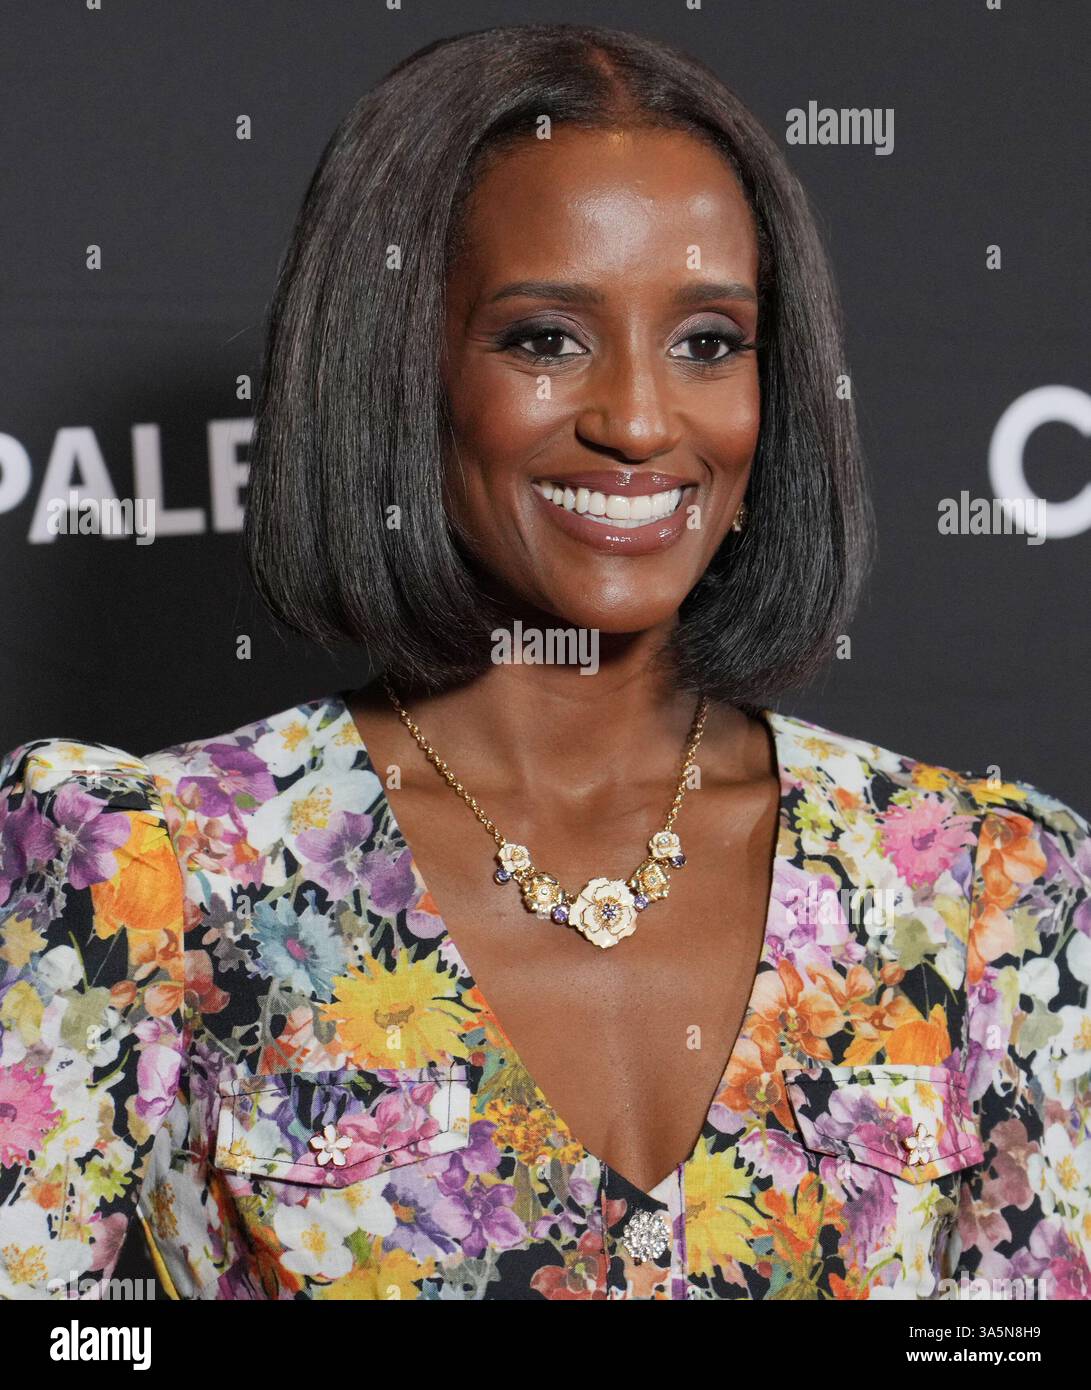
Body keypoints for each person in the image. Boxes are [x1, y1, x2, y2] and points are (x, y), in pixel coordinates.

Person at [1, 23, 1087, 1302]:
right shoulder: (149, 872)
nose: (636, 420)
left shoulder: (985, 890)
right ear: (398, 369)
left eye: (706, 343)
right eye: (542, 337)